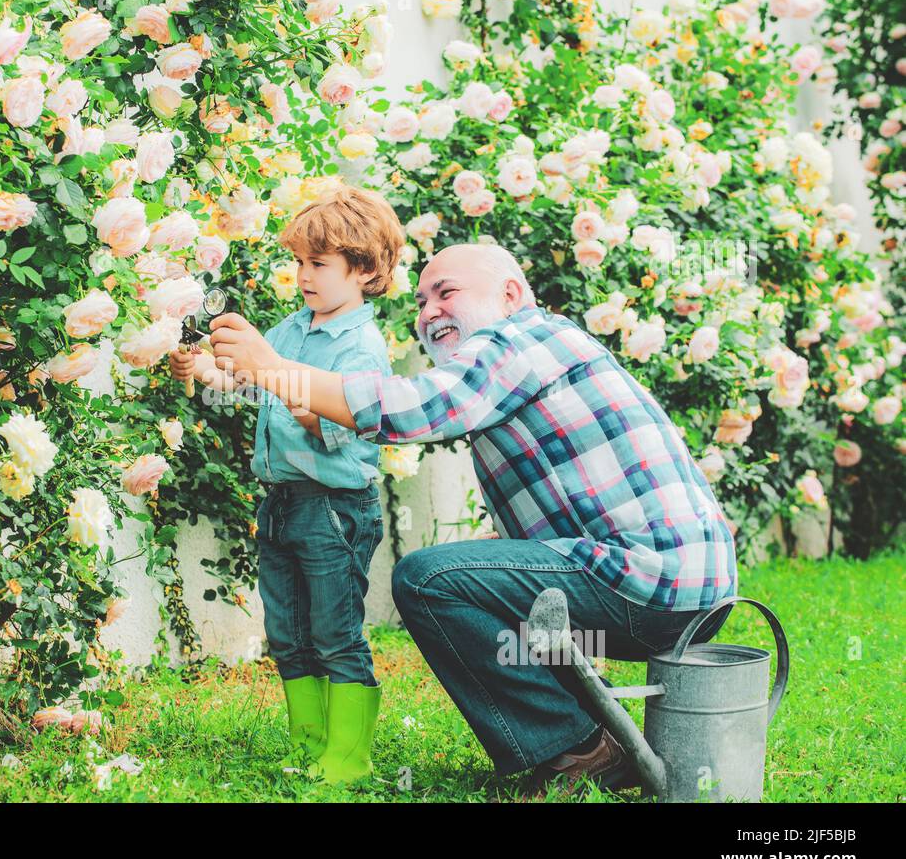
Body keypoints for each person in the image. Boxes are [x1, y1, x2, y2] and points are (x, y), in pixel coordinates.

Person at [205, 242, 737, 796]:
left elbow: (410, 409)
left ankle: (578, 749)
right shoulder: (544, 348)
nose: (429, 311)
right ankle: (596, 737)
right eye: (421, 300)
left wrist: (273, 368)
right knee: (475, 578)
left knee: (428, 578)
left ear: (509, 294)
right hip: (673, 587)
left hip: (649, 581)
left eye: (447, 292)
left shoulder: (518, 338)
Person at [168, 186, 402, 784]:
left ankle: (348, 759)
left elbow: (335, 429)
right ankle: (309, 746)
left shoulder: (361, 346)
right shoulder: (293, 329)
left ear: (366, 270)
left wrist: (270, 368)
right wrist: (206, 370)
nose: (304, 275)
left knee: (334, 633)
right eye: (299, 261)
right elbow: (255, 390)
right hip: (282, 503)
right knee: (288, 633)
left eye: (318, 264)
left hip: (333, 508)